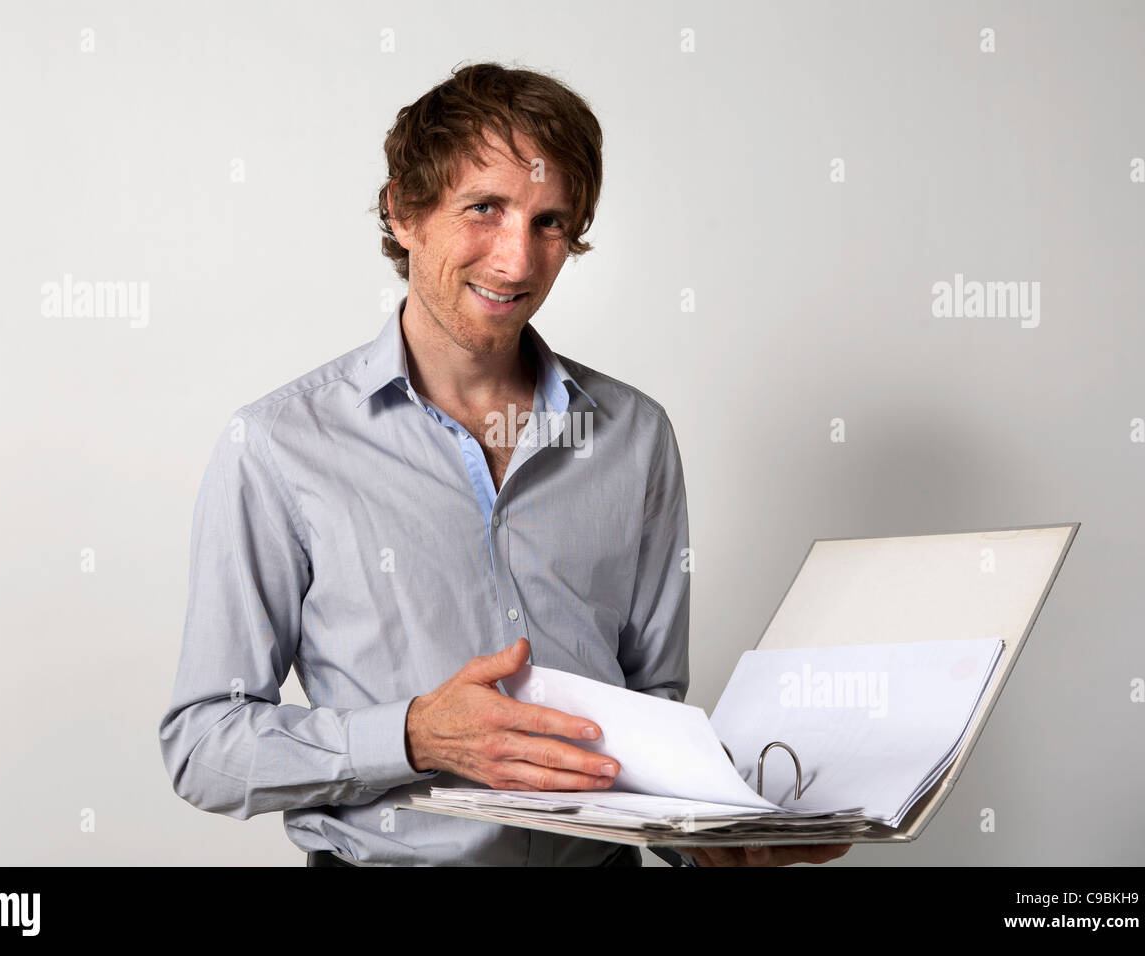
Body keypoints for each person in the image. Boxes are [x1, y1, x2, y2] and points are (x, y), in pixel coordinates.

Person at [158, 61, 848, 868]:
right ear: (404, 211)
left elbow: (651, 712)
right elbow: (203, 745)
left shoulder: (635, 436)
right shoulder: (278, 446)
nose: (518, 262)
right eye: (485, 209)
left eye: (551, 222)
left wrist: (708, 841)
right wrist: (412, 735)